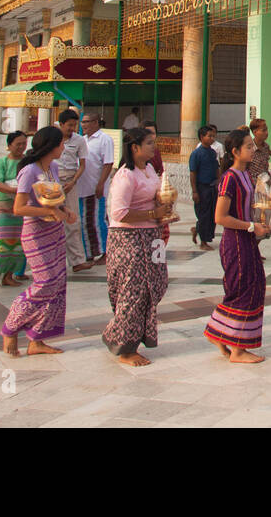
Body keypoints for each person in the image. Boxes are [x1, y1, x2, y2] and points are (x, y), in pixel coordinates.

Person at [2, 127, 76, 356]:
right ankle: (10, 327)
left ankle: (37, 338)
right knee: (43, 283)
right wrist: (49, 213)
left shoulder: (53, 167)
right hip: (35, 232)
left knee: (56, 284)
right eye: (60, 144)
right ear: (51, 146)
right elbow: (19, 207)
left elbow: (54, 198)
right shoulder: (29, 171)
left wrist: (64, 210)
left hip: (55, 231)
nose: (63, 148)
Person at [102, 127, 170, 366]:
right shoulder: (125, 175)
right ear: (135, 148)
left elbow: (156, 197)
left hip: (152, 235)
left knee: (158, 283)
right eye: (150, 143)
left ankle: (131, 333)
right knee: (134, 291)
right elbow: (119, 212)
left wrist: (164, 210)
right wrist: (153, 212)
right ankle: (125, 346)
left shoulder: (149, 169)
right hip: (129, 238)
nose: (154, 147)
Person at [204, 128, 270, 363]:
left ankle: (220, 333)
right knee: (243, 289)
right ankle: (237, 348)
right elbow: (220, 217)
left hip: (247, 240)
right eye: (249, 147)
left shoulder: (246, 175)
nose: (253, 150)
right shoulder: (230, 178)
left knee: (254, 285)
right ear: (235, 151)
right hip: (236, 241)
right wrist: (252, 226)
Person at [0, 131, 30, 287]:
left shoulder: (27, 162)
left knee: (19, 243)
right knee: (5, 242)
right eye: (18, 144)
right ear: (9, 145)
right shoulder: (3, 162)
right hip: (5, 204)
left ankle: (9, 274)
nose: (21, 147)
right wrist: (16, 190)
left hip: (22, 205)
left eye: (24, 144)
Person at [54, 109, 90, 273]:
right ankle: (53, 260)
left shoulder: (79, 140)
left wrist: (73, 181)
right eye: (69, 125)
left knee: (73, 220)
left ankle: (77, 260)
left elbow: (82, 165)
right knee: (52, 220)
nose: (72, 128)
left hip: (70, 181)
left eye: (74, 125)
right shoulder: (52, 136)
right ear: (61, 124)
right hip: (52, 182)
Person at [77, 113, 114, 265]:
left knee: (99, 221)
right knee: (84, 222)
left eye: (87, 122)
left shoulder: (104, 139)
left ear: (96, 122)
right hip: (82, 188)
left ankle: (106, 252)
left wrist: (101, 183)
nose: (84, 125)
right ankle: (89, 252)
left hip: (96, 188)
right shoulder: (83, 140)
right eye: (82, 122)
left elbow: (108, 163)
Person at [188, 125, 219, 250]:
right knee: (203, 214)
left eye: (213, 136)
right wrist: (195, 191)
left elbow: (217, 168)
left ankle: (199, 230)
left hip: (212, 187)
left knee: (212, 214)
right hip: (202, 187)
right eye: (209, 136)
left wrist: (219, 181)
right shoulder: (196, 154)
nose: (212, 138)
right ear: (202, 137)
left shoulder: (212, 152)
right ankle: (203, 242)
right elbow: (193, 173)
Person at [247, 117, 271, 183]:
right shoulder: (249, 148)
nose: (267, 133)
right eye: (263, 130)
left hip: (264, 182)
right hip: (253, 183)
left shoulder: (266, 146)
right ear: (255, 132)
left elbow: (269, 151)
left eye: (267, 130)